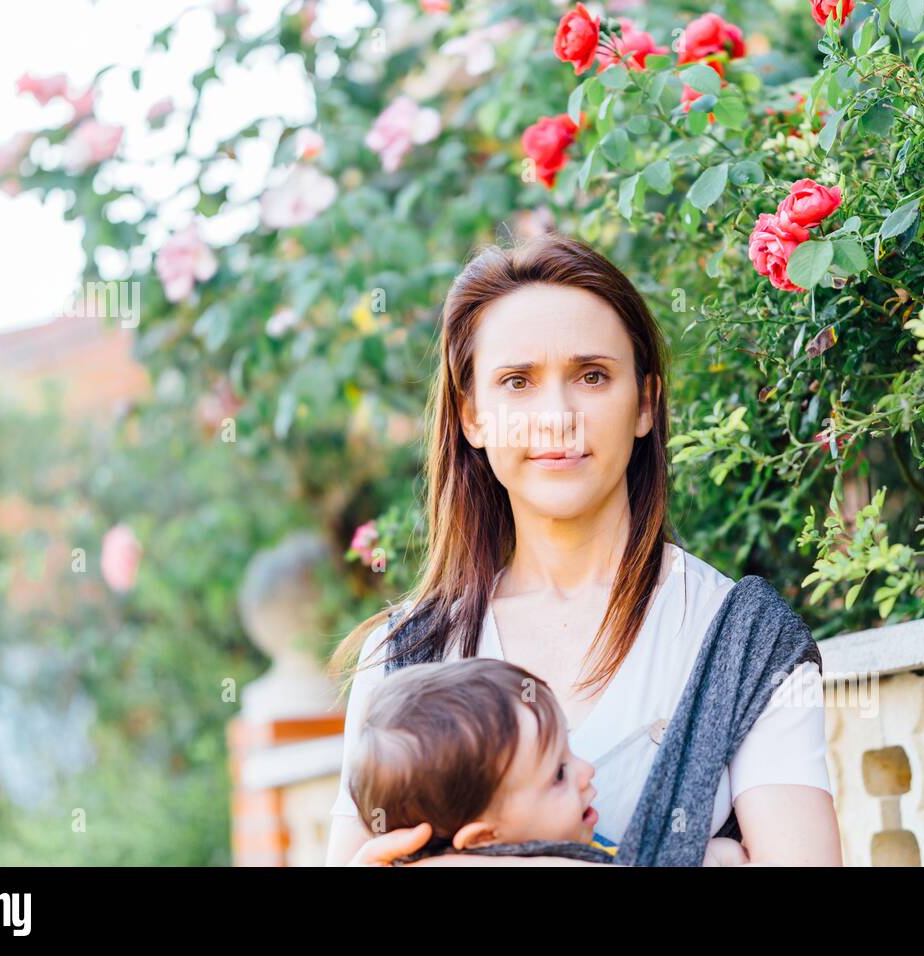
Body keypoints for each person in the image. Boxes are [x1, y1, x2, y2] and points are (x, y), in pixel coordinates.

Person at [325, 232, 842, 866]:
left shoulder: (745, 644)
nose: (557, 417)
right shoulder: (404, 658)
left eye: (592, 376)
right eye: (517, 382)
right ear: (472, 417)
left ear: (645, 403)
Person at [347, 657, 749, 866]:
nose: (586, 770)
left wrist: (715, 855)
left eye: (568, 749)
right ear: (483, 839)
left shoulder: (585, 847)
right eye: (558, 774)